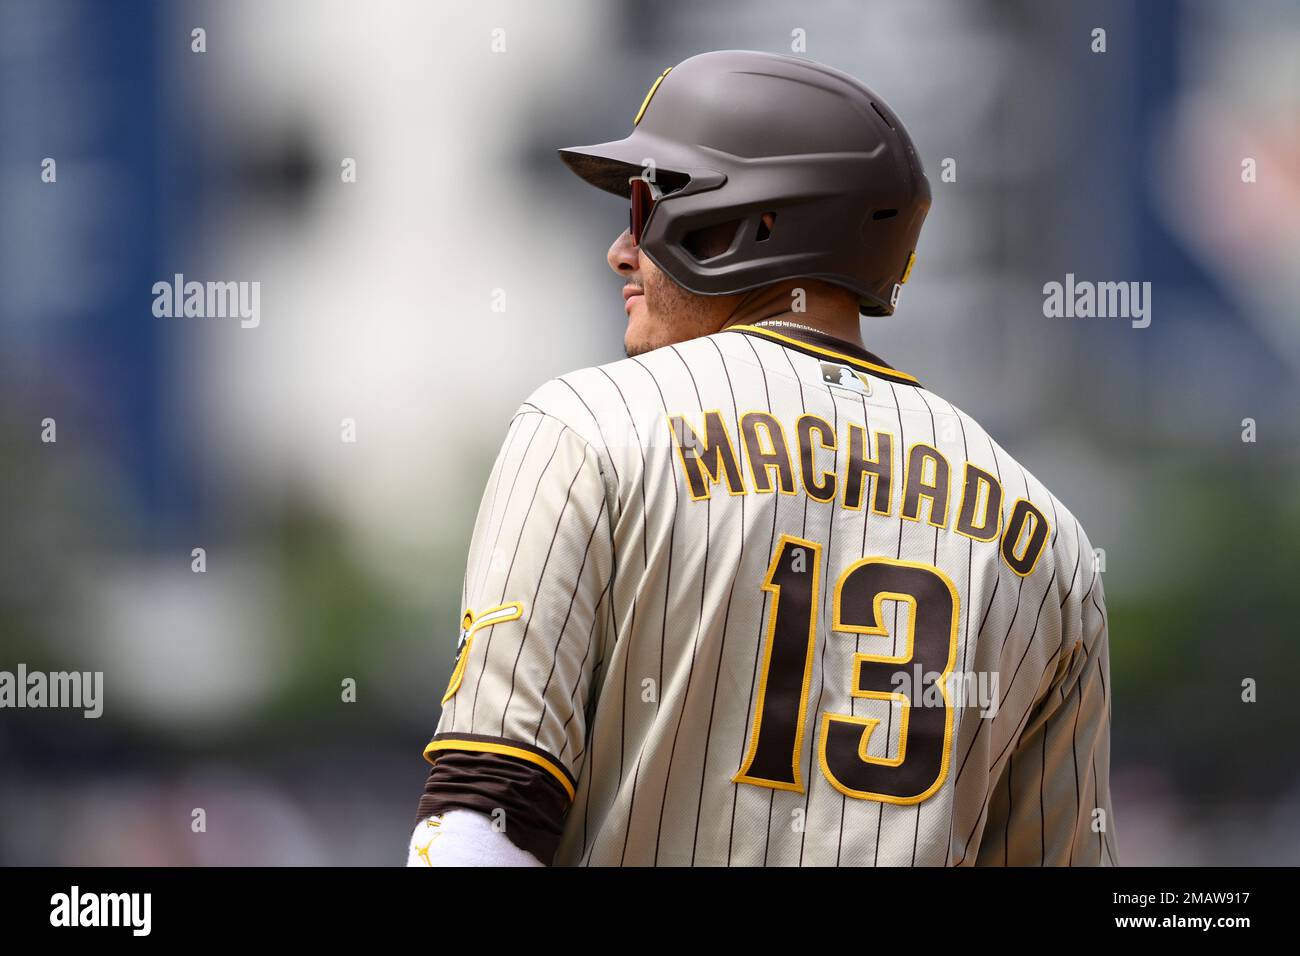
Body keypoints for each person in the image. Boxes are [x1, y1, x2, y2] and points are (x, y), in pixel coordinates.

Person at [407, 49, 1117, 867]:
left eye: (646, 204)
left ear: (755, 222)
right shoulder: (1050, 539)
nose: (621, 249)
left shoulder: (587, 426)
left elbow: (483, 820)